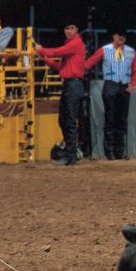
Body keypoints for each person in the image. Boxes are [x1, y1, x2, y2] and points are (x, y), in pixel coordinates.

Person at [35, 22, 86, 166]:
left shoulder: (75, 44)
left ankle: (71, 155)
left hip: (73, 85)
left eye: (71, 28)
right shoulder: (73, 45)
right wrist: (45, 57)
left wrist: (42, 50)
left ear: (76, 30)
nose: (69, 31)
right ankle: (71, 153)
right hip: (71, 85)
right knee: (64, 120)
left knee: (68, 121)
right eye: (67, 28)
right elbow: (61, 67)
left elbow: (57, 52)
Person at [84, 28, 136, 160]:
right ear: (113, 36)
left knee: (122, 119)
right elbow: (90, 62)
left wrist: (132, 84)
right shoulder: (105, 50)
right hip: (110, 85)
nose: (121, 38)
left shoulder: (130, 51)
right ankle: (110, 151)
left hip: (124, 86)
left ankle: (120, 151)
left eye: (123, 35)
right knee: (111, 118)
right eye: (118, 35)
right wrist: (77, 69)